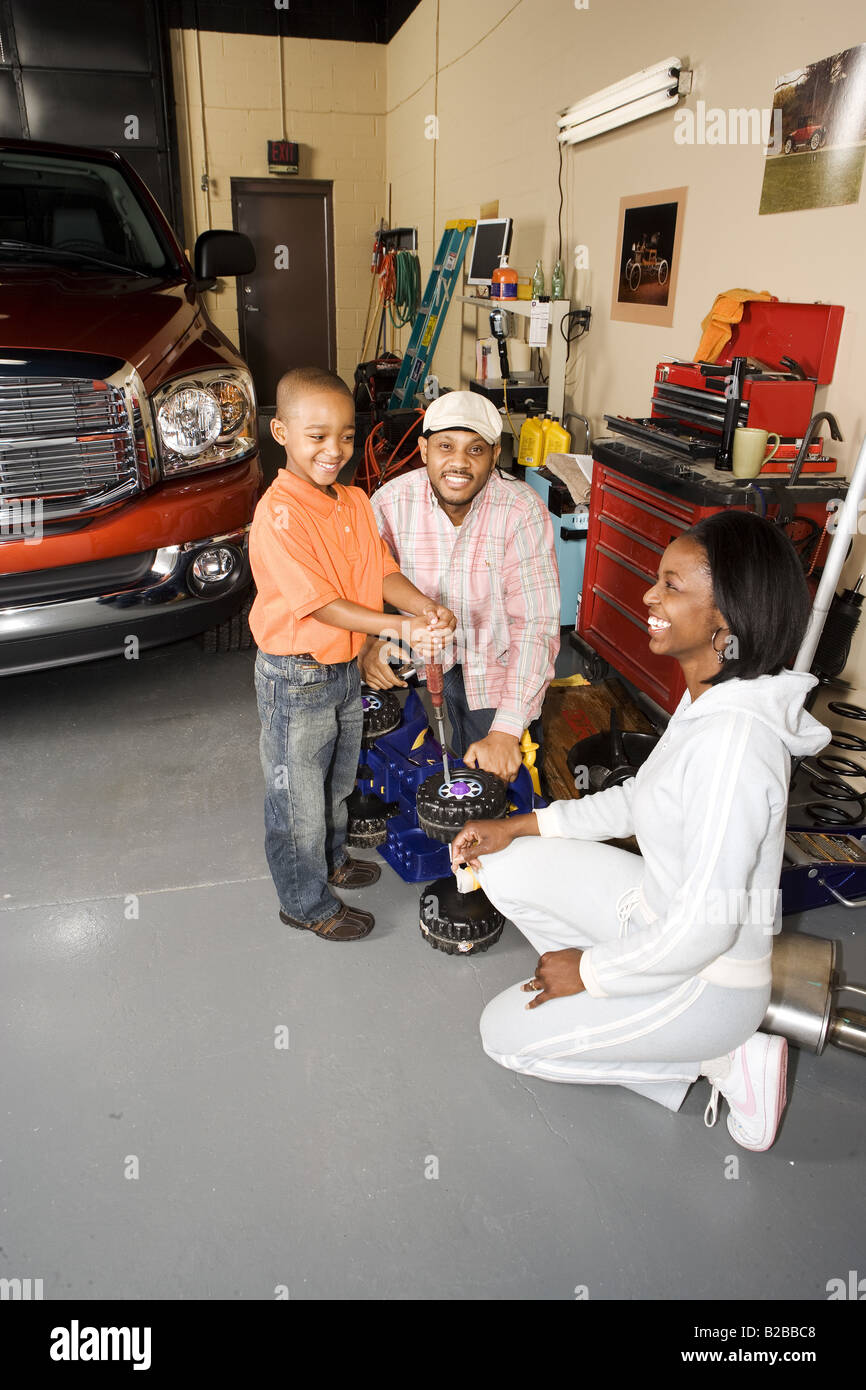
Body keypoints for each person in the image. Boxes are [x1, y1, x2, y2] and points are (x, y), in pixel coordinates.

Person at [450, 510, 830, 1151]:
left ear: (726, 621)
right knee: (503, 862)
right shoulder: (710, 696)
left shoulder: (735, 745)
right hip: (654, 916)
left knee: (503, 1036)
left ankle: (725, 1060)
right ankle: (628, 1004)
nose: (649, 596)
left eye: (672, 586)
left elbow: (707, 926)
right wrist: (520, 824)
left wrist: (592, 973)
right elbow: (638, 801)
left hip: (709, 980)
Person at [249, 367, 455, 942]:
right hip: (296, 675)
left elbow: (381, 571)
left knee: (336, 781)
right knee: (297, 799)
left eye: (344, 434)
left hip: (342, 672)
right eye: (316, 435)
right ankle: (305, 902)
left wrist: (423, 606)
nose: (334, 449)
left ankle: (332, 860)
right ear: (280, 433)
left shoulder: (355, 501)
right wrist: (404, 627)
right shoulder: (279, 515)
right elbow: (323, 606)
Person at [364, 392, 561, 784]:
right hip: (410, 646)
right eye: (445, 446)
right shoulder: (389, 503)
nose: (459, 462)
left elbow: (536, 625)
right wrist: (366, 647)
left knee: (495, 777)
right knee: (384, 754)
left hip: (490, 656)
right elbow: (359, 586)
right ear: (423, 450)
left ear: (495, 454)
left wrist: (505, 731)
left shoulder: (522, 511)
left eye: (475, 449)